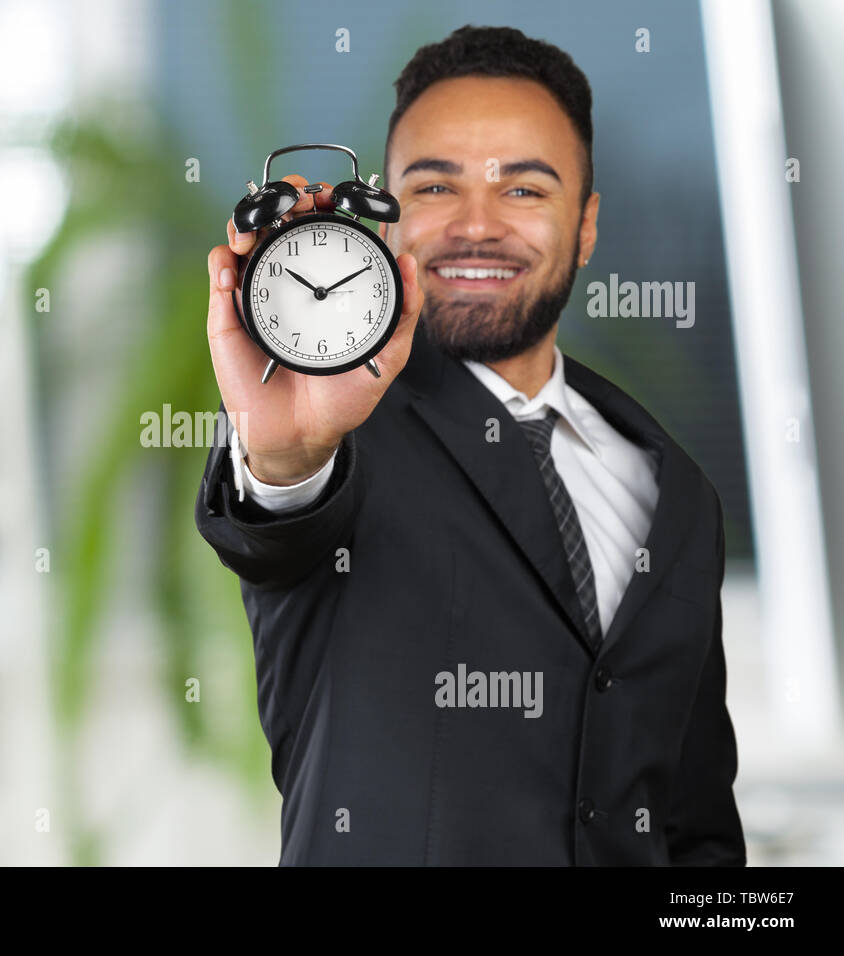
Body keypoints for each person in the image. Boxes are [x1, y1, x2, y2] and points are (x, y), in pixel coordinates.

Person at [196, 25, 744, 865]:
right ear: (387, 213)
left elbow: (697, 825)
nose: (476, 227)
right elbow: (278, 519)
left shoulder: (677, 495)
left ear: (587, 226)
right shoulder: (342, 442)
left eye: (524, 190)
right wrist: (285, 455)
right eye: (435, 188)